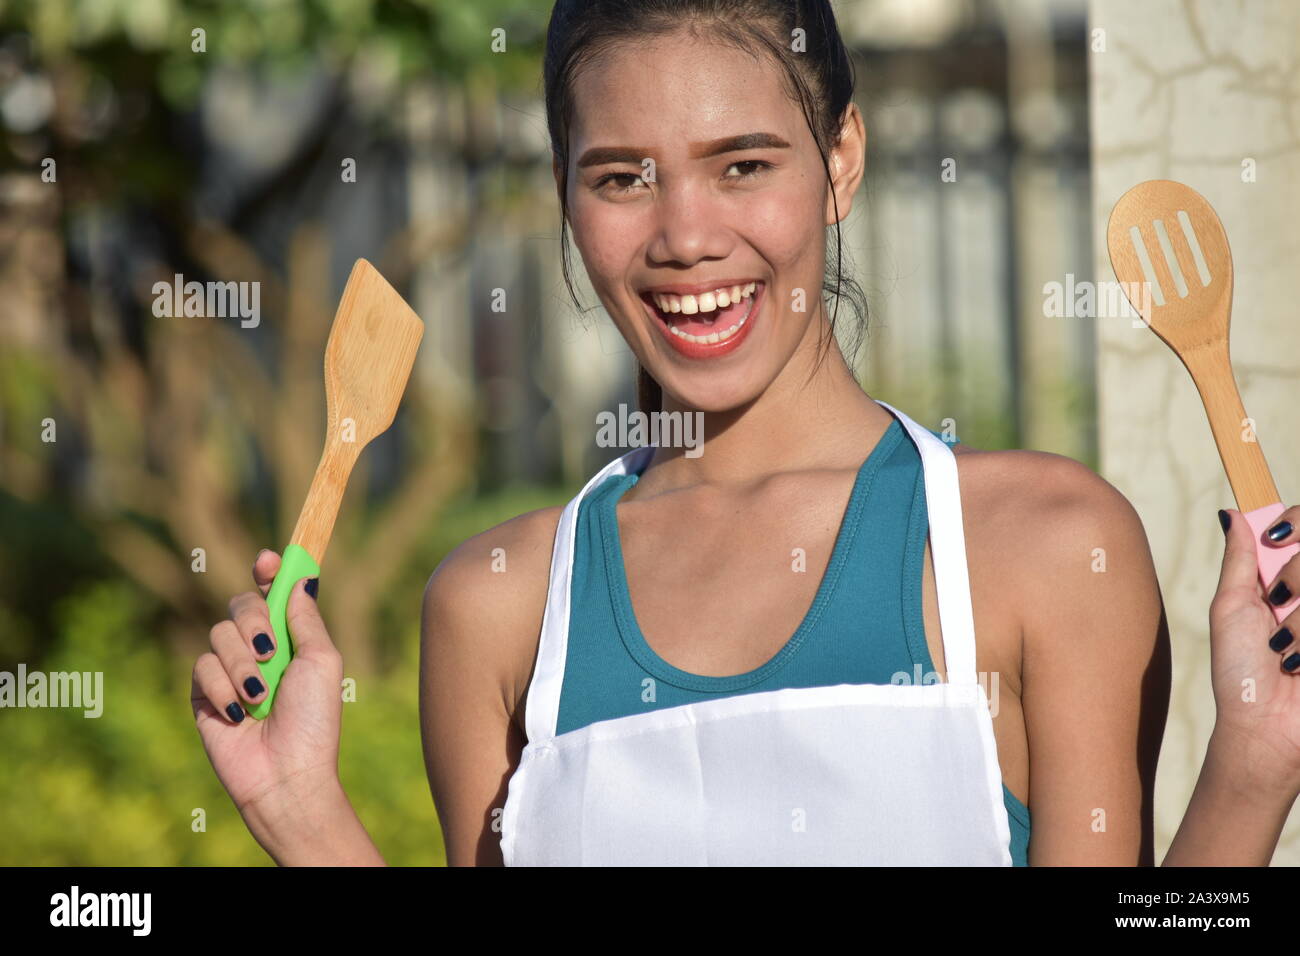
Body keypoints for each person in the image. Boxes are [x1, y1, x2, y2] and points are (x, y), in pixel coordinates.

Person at [191, 0, 1300, 865]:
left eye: (743, 164)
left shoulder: (1047, 546)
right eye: (622, 176)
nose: (684, 236)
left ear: (841, 161)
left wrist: (1257, 754)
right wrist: (302, 813)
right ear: (567, 202)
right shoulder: (494, 604)